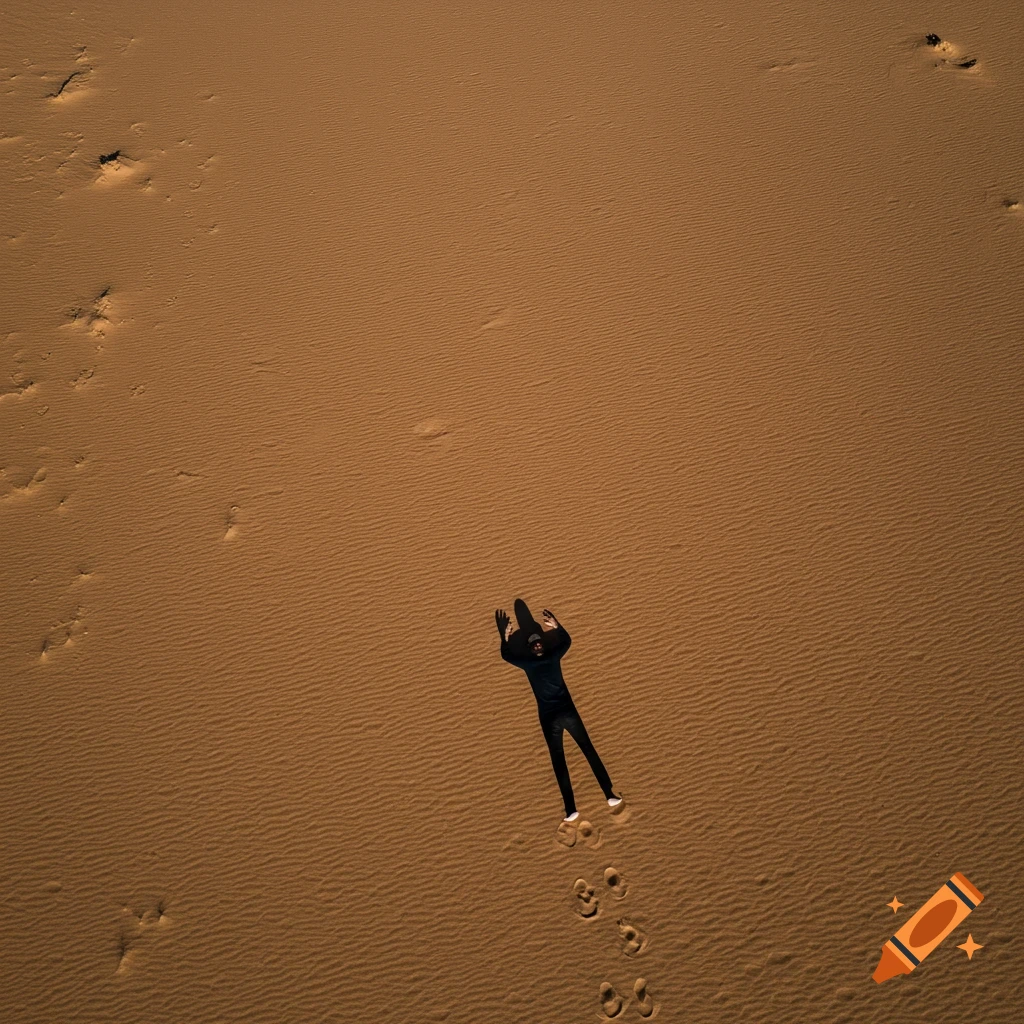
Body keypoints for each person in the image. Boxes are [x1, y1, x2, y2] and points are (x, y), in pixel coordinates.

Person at [495, 603, 622, 824]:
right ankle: (609, 794)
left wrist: (504, 637)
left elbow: (507, 656)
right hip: (568, 713)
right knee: (588, 750)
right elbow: (567, 642)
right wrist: (558, 626)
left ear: (530, 647)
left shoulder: (527, 663)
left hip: (548, 717)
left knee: (558, 760)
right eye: (537, 642)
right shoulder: (552, 656)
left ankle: (571, 809)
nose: (536, 645)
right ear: (541, 645)